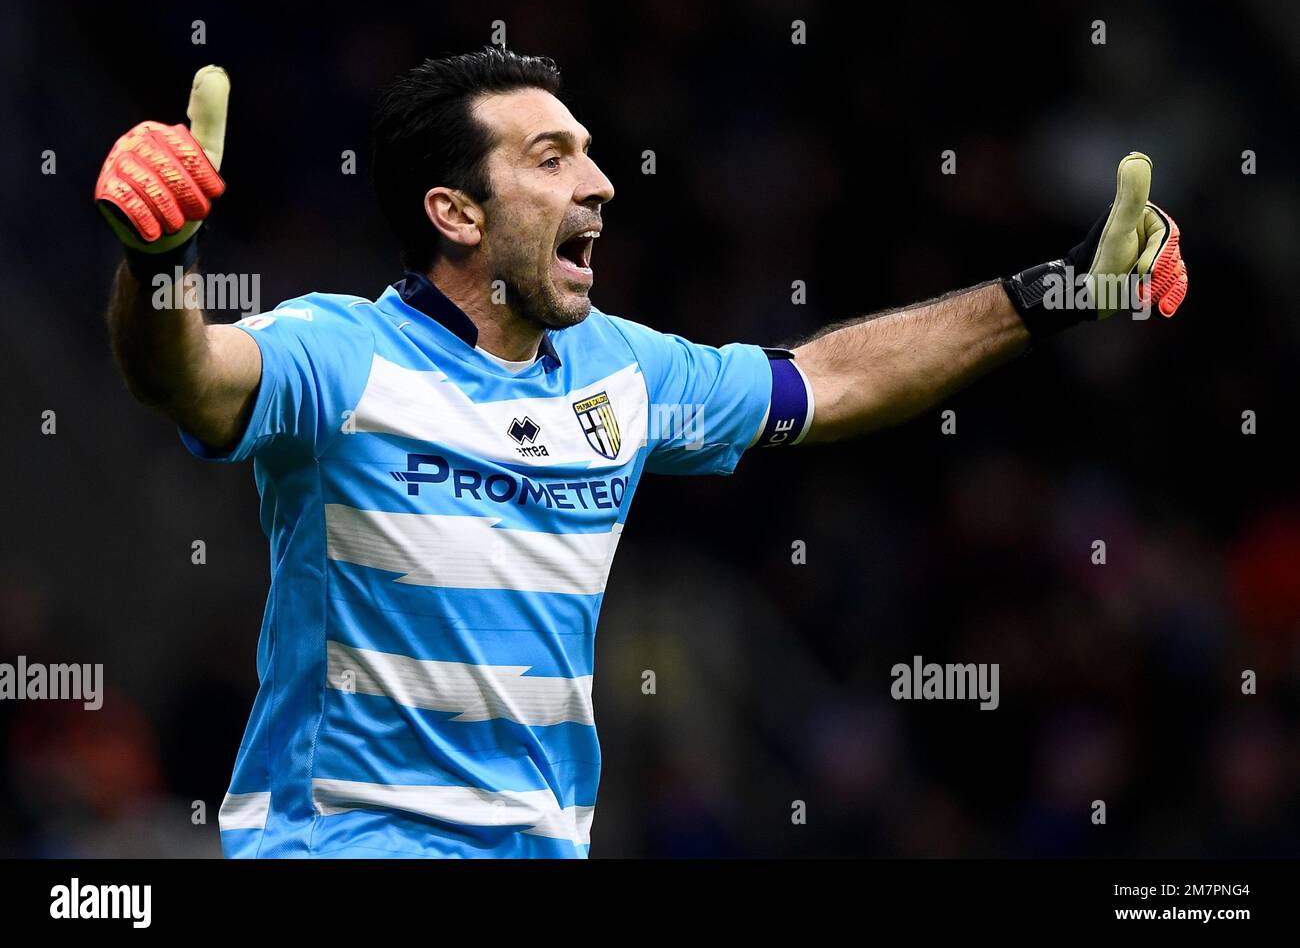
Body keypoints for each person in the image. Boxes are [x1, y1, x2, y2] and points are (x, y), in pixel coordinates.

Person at [94, 48, 1187, 857]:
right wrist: (161, 264)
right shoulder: (341, 353)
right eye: (551, 157)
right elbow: (187, 375)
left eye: (590, 151)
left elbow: (836, 379)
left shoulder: (623, 372)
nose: (600, 182)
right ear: (456, 213)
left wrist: (1053, 292)